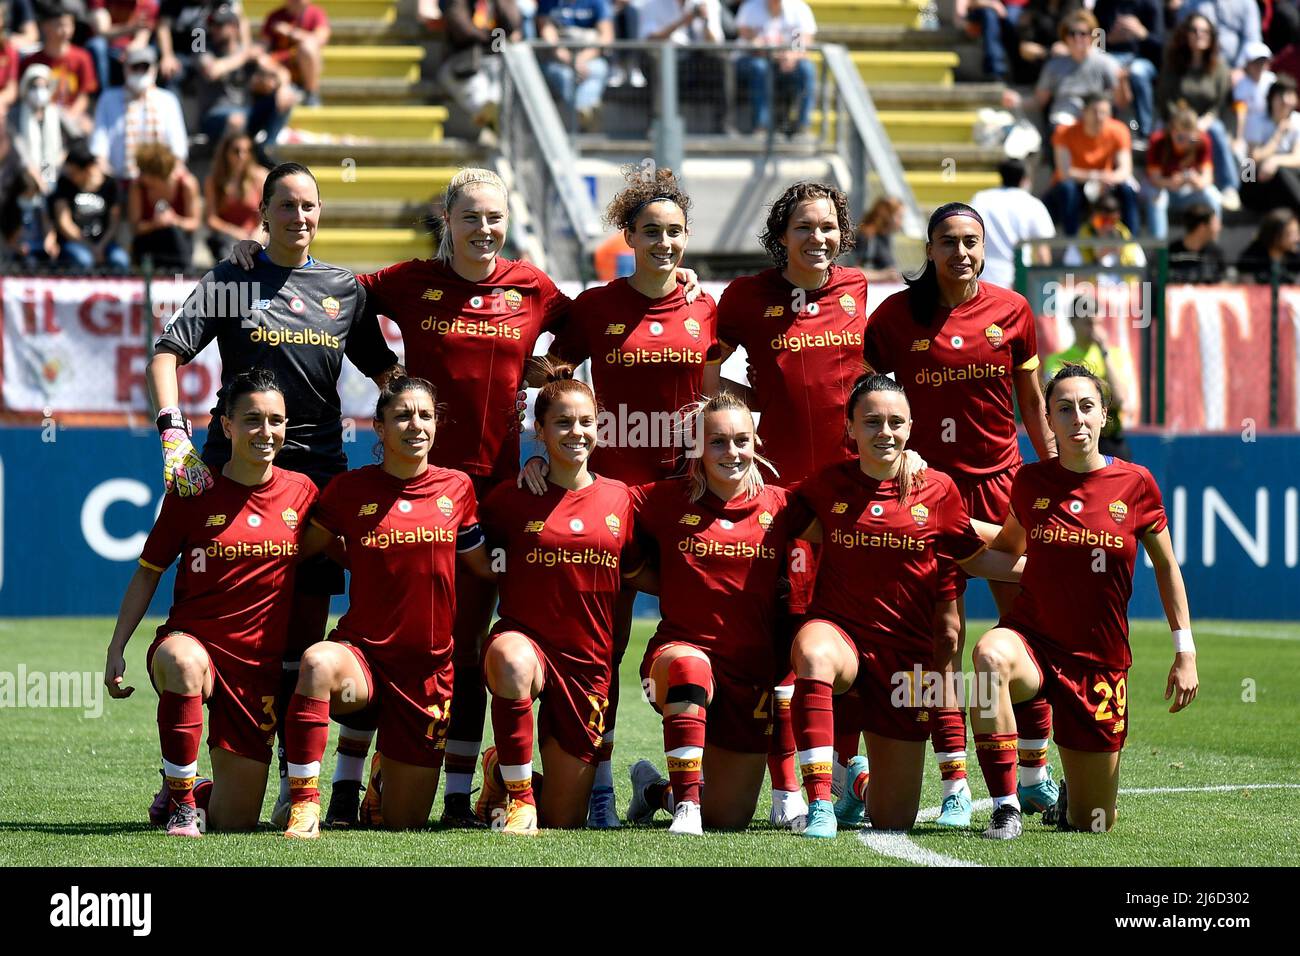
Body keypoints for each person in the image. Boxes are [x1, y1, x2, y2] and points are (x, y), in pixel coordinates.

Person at [148, 160, 402, 826]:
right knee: (209, 629)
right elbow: (167, 351)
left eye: (310, 206)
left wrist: (411, 435)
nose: (300, 217)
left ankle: (301, 781)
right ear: (262, 212)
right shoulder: (233, 279)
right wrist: (172, 436)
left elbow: (387, 372)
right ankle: (182, 783)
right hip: (229, 480)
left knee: (298, 639)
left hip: (314, 484)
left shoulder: (343, 289)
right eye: (286, 205)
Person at [516, 165, 720, 825]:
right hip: (610, 498)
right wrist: (539, 451)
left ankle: (692, 781)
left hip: (686, 499)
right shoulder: (599, 307)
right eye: (651, 231)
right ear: (627, 235)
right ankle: (599, 782)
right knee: (601, 644)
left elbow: (721, 393)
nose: (664, 242)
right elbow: (542, 372)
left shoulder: (704, 305)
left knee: (708, 631)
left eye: (675, 232)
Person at [863, 201, 1057, 829]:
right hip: (924, 497)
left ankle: (1034, 769)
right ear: (930, 248)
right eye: (948, 242)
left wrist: (1050, 477)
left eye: (971, 241)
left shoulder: (1013, 311)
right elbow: (868, 402)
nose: (961, 253)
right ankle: (953, 782)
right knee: (943, 641)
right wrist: (893, 455)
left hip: (1002, 491)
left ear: (984, 247)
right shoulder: (894, 318)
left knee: (1026, 625)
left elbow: (1032, 402)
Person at [788, 374, 1025, 837]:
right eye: (872, 421)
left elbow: (978, 559)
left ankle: (856, 784)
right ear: (850, 427)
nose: (885, 431)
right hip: (842, 640)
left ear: (912, 427)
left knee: (893, 819)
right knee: (814, 652)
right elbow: (769, 521)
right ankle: (817, 804)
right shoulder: (827, 485)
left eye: (896, 421)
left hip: (906, 667)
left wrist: (1050, 568)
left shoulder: (937, 490)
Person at [969, 363, 1197, 839]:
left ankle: (1072, 797)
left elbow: (1167, 568)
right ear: (1048, 421)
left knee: (1093, 824)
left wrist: (1185, 651)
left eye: (1087, 407)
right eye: (1064, 409)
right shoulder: (1030, 484)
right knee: (989, 656)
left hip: (1099, 661)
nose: (1077, 419)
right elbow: (1008, 553)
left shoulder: (1137, 484)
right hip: (1032, 642)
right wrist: (938, 538)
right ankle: (1006, 806)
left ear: (1103, 415)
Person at [103, 369, 320, 837]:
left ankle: (189, 789)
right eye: (253, 420)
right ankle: (182, 805)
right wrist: (117, 647)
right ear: (226, 425)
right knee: (181, 660)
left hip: (255, 671)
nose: (266, 432)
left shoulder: (302, 492)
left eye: (276, 421)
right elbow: (147, 573)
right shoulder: (192, 491)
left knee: (234, 822)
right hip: (193, 648)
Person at [715, 180, 868, 828]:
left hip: (853, 499)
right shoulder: (746, 298)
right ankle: (786, 791)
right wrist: (751, 421)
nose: (818, 238)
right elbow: (707, 378)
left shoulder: (859, 289)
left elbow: (877, 386)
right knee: (782, 639)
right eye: (804, 227)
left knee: (852, 635)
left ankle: (843, 767)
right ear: (781, 235)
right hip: (778, 502)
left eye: (828, 227)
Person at [281, 376, 494, 837]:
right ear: (379, 427)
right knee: (317, 662)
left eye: (424, 415)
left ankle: (379, 783)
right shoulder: (349, 490)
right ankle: (304, 803)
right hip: (364, 660)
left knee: (404, 824)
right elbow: (300, 548)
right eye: (401, 415)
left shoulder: (457, 488)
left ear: (437, 425)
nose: (414, 424)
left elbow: (480, 564)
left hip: (428, 674)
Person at [622, 392, 810, 834]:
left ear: (756, 442)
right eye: (718, 442)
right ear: (697, 447)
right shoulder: (664, 499)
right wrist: (540, 465)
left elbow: (853, 513)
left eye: (741, 440)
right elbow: (593, 499)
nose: (732, 452)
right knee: (690, 663)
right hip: (676, 665)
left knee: (728, 817)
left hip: (750, 680)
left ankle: (655, 791)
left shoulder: (782, 506)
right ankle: (685, 810)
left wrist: (909, 466)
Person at [475, 362, 649, 834]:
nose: (577, 432)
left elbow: (645, 569)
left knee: (565, 819)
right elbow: (463, 544)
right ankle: (518, 800)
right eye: (563, 422)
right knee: (510, 658)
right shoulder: (511, 496)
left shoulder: (623, 499)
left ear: (600, 426)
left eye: (586, 422)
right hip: (525, 644)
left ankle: (499, 769)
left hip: (587, 665)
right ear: (540, 429)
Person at [1156, 14, 1242, 211]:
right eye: (1194, 31)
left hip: (1206, 121)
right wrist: (1183, 122)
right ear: (1185, 35)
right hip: (1176, 120)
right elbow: (1165, 98)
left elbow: (1219, 103)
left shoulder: (1219, 68)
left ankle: (1229, 188)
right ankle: (1162, 184)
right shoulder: (1173, 64)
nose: (1199, 35)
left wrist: (1204, 122)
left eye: (1204, 31)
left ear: (1211, 36)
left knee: (1217, 131)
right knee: (1159, 135)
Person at [1043, 292, 1134, 459]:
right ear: (1072, 321)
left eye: (1097, 323)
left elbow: (1120, 399)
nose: (1094, 330)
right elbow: (1055, 405)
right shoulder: (1056, 361)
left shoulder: (1113, 355)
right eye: (1088, 323)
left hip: (1109, 441)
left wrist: (1104, 351)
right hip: (1073, 441)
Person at [198, 3, 297, 152]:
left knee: (289, 94)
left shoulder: (248, 54)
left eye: (220, 25)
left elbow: (283, 73)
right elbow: (212, 71)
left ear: (234, 27)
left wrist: (282, 86)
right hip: (215, 116)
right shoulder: (204, 48)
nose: (214, 30)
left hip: (246, 113)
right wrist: (244, 55)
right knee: (236, 119)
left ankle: (267, 147)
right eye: (212, 25)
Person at [1045, 94, 1141, 236]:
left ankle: (1132, 242)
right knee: (1067, 189)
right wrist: (1094, 176)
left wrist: (1104, 179)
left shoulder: (1119, 130)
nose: (1100, 117)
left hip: (1106, 185)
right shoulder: (1064, 132)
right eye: (1095, 112)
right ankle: (1072, 242)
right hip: (1074, 187)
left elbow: (1124, 170)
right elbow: (1065, 172)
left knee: (1127, 191)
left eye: (1104, 112)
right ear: (1084, 112)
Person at [89, 45, 188, 181]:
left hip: (160, 180)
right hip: (119, 180)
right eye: (135, 67)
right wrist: (108, 177)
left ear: (154, 70)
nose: (140, 72)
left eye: (145, 67)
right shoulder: (108, 99)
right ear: (125, 69)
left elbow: (178, 147)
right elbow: (99, 144)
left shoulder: (168, 100)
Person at [437, 0, 522, 138]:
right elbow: (462, 29)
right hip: (463, 62)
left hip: (495, 61)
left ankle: (493, 127)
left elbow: (512, 24)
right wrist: (491, 37)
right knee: (479, 93)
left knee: (499, 92)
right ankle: (492, 124)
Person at [735, 0, 817, 139]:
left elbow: (804, 42)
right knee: (760, 68)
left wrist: (792, 56)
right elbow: (749, 40)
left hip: (786, 62)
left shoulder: (798, 9)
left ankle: (803, 126)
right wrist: (775, 54)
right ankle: (761, 126)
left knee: (806, 68)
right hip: (755, 60)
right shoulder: (750, 8)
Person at [971, 157, 1056, 288]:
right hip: (1018, 283)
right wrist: (1046, 295)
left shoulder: (980, 199)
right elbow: (1043, 253)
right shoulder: (1033, 204)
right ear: (1025, 179)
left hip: (983, 280)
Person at [1034, 9, 1123, 131]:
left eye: (1082, 33)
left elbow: (1121, 101)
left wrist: (1123, 82)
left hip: (1096, 122)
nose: (1077, 38)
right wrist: (1016, 101)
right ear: (1065, 37)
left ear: (1092, 35)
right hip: (1063, 122)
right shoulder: (1053, 65)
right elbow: (1039, 100)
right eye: (1071, 33)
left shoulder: (1106, 62)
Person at [20, 2, 97, 136]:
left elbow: (85, 95)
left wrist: (72, 115)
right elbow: (25, 96)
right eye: (60, 25)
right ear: (45, 27)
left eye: (69, 25)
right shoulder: (31, 62)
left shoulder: (82, 57)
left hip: (72, 116)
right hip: (40, 118)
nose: (65, 30)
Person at [50, 140, 130, 269]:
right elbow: (64, 223)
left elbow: (113, 223)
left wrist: (100, 246)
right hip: (74, 243)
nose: (71, 177)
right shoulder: (64, 184)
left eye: (74, 173)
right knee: (84, 260)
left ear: (87, 169)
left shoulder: (111, 185)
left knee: (120, 260)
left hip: (104, 243)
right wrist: (89, 246)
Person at [1146, 104, 1222, 239]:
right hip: (1164, 190)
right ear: (1171, 132)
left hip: (1187, 190)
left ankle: (1213, 242)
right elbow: (1154, 178)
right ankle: (1160, 249)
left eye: (1190, 139)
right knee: (1156, 197)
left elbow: (1207, 177)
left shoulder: (1202, 141)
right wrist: (1171, 182)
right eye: (1180, 138)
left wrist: (1195, 180)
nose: (1185, 143)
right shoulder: (1158, 140)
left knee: (1212, 195)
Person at [537, 0, 613, 131]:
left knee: (598, 69)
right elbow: (548, 36)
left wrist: (581, 59)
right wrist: (571, 60)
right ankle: (585, 113)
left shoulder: (598, 2)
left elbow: (607, 37)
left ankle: (585, 113)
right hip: (559, 60)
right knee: (564, 76)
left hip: (589, 57)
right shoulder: (548, 3)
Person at [1093, 0, 1163, 140]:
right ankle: (1104, 129)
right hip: (1110, 57)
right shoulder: (1104, 3)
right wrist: (1109, 39)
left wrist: (1141, 33)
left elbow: (1161, 43)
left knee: (1137, 72)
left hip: (1142, 60)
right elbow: (1095, 38)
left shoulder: (1151, 3)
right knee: (1106, 70)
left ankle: (1145, 133)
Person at [127, 141, 199, 271]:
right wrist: (155, 223)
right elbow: (135, 227)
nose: (140, 175)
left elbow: (194, 223)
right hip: (148, 243)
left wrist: (173, 220)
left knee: (174, 233)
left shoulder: (187, 184)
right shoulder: (137, 186)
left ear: (156, 174)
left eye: (143, 171)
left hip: (178, 245)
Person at [203, 128, 265, 263]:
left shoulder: (260, 177)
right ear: (226, 153)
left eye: (246, 151)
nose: (241, 156)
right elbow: (211, 219)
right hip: (228, 238)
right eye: (236, 151)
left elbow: (267, 218)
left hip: (256, 236)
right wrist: (236, 232)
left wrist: (254, 238)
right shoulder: (214, 180)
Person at [1241, 74, 1300, 216]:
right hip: (1257, 184)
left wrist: (1275, 161)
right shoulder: (1256, 121)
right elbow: (1252, 158)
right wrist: (1278, 136)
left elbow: (1297, 158)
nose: (1285, 101)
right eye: (1281, 96)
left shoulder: (1297, 121)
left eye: (1290, 95)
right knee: (1248, 169)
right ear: (1271, 98)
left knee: (1282, 171)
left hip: (1284, 183)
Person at [1174, 0, 1260, 83]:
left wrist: (1240, 68)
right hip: (1200, 70)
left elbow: (1252, 39)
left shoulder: (1246, 2)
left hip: (1236, 71)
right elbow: (1180, 35)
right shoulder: (1190, 3)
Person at [261, 0, 328, 106]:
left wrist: (291, 32)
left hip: (302, 66)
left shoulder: (316, 13)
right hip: (280, 66)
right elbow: (264, 45)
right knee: (262, 61)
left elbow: (320, 39)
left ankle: (310, 93)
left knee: (308, 47)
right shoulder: (275, 16)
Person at [11, 63, 65, 193]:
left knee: (51, 191)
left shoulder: (55, 113)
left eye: (44, 86)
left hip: (52, 168)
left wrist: (60, 158)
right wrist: (35, 175)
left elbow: (71, 139)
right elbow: (18, 147)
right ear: (26, 87)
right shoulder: (16, 114)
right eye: (34, 87)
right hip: (25, 174)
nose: (40, 91)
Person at [86, 0, 157, 90]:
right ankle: (104, 93)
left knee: (145, 53)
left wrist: (129, 50)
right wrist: (131, 28)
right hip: (106, 48)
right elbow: (102, 31)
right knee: (97, 45)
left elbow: (141, 40)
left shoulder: (148, 4)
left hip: (127, 51)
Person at [1231, 40, 1277, 160]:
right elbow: (1241, 113)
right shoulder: (1242, 85)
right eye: (1256, 62)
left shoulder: (1272, 80)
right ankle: (1248, 178)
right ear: (1247, 63)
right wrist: (1239, 137)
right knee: (1249, 161)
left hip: (1273, 127)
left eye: (1263, 61)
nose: (1259, 65)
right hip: (1250, 130)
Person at [1167, 200, 1228, 283]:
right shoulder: (1170, 253)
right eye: (1215, 223)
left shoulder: (1216, 254)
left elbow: (1224, 286)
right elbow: (1149, 287)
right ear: (1201, 228)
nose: (1219, 228)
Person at [1235, 206, 1300, 281]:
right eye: (1290, 234)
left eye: (1298, 233)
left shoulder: (1295, 259)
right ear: (1274, 235)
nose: (1297, 239)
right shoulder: (1251, 259)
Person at [853, 196, 904, 282]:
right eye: (899, 216)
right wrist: (882, 275)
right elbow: (852, 271)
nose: (902, 222)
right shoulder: (866, 236)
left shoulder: (884, 237)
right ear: (888, 216)